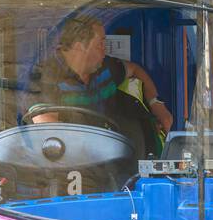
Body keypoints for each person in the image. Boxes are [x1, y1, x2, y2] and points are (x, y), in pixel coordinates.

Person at [22, 15, 173, 146]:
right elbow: (49, 131)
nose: (105, 49)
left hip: (114, 161)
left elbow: (135, 70)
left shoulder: (104, 69)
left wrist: (156, 104)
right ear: (80, 47)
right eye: (100, 44)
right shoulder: (44, 79)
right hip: (73, 168)